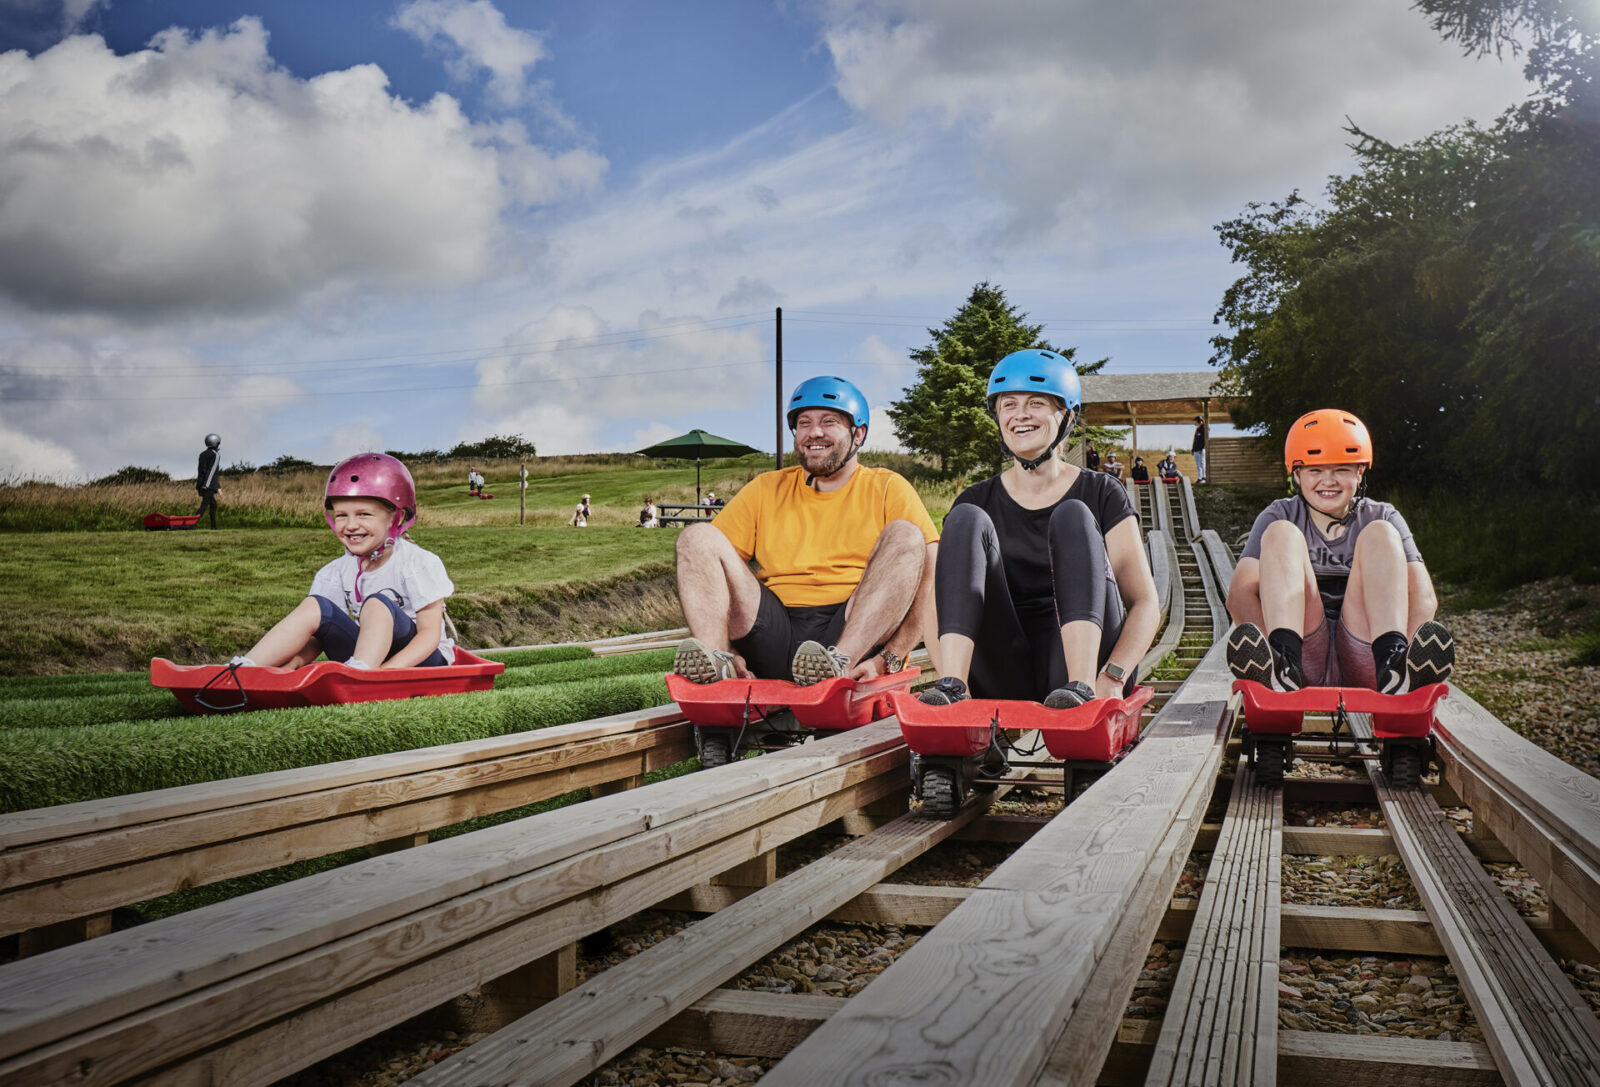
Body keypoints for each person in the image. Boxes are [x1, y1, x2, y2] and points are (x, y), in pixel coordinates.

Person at [917, 349, 1160, 711]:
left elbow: (1144, 603)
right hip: (1004, 664)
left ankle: (1080, 691)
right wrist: (948, 680)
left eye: (1036, 403)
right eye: (1009, 404)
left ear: (1067, 415)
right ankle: (954, 687)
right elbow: (937, 607)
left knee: (1073, 515)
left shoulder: (1102, 491)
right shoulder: (977, 499)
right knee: (965, 517)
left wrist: (1112, 677)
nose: (1020, 415)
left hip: (1084, 665)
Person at [673, 375, 939, 686]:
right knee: (696, 537)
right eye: (804, 423)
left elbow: (933, 577)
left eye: (829, 422)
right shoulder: (766, 488)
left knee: (907, 534)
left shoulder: (887, 487)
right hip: (773, 630)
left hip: (851, 628)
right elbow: (710, 569)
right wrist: (730, 647)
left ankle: (837, 665)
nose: (814, 432)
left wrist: (890, 657)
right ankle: (719, 662)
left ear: (858, 434)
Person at [1225, 409, 1454, 694]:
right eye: (1315, 470)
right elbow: (1240, 595)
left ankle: (1395, 667)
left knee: (1380, 532)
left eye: (1341, 470)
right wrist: (1263, 659)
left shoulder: (1381, 514)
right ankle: (1281, 664)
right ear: (1297, 474)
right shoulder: (1278, 514)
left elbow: (1423, 596)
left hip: (1366, 647)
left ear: (1360, 472)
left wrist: (1411, 659)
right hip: (1304, 646)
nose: (1328, 481)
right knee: (1281, 533)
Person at [229, 453, 454, 670]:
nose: (351, 525)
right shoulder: (334, 571)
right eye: (341, 515)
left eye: (364, 514)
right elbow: (322, 632)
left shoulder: (417, 563)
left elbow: (429, 635)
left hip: (421, 658)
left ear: (397, 517)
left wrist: (388, 671)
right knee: (315, 605)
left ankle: (362, 672)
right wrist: (293, 665)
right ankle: (247, 668)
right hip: (367, 654)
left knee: (378, 602)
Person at [196, 433, 222, 530]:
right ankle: (191, 524)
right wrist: (207, 485)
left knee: (213, 505)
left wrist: (218, 487)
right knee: (204, 505)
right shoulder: (215, 455)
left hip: (201, 483)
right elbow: (211, 471)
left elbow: (202, 470)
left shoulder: (202, 454)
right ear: (216, 443)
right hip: (208, 485)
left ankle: (214, 526)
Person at [1191, 416, 1208, 483]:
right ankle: (1199, 477)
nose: (1194, 422)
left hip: (1201, 449)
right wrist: (1193, 449)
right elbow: (1195, 440)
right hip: (1196, 449)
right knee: (1198, 464)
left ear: (1199, 421)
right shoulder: (1197, 429)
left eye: (1195, 421)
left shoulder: (1203, 428)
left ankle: (1204, 477)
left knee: (1202, 463)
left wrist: (1202, 448)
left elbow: (1204, 440)